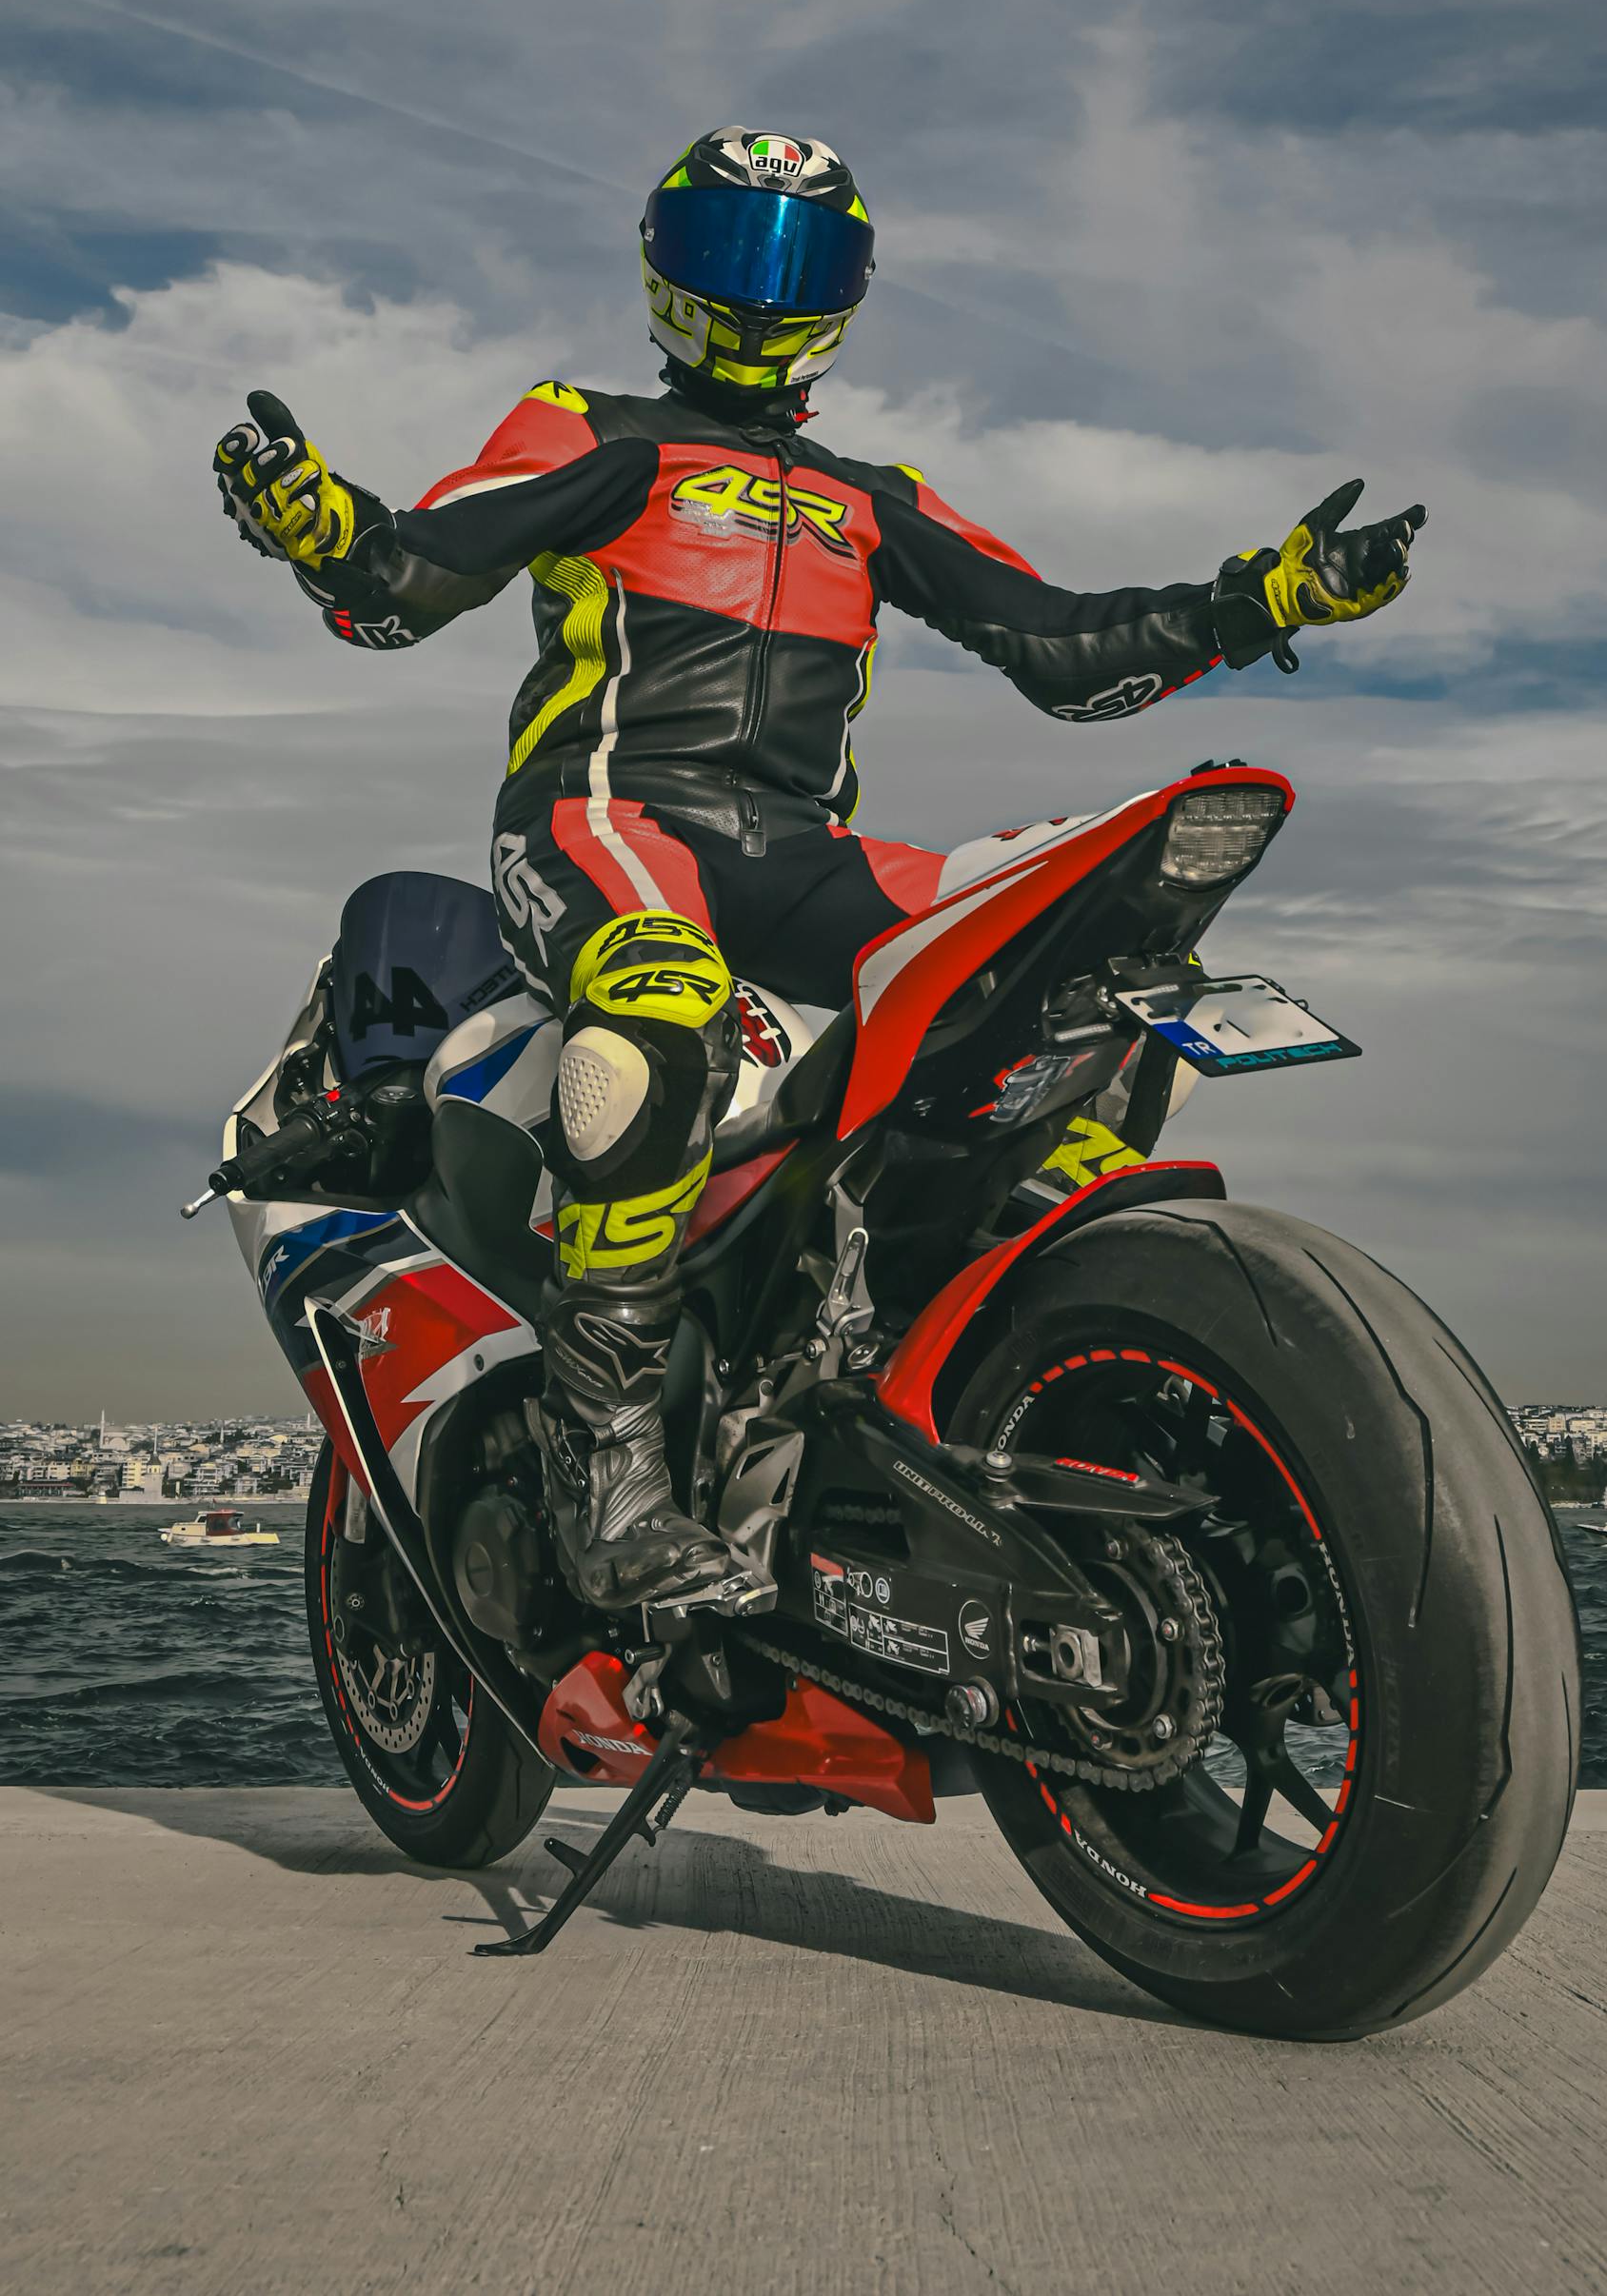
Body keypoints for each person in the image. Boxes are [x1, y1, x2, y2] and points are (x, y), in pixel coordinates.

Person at [214, 124, 1424, 1616]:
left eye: (796, 257)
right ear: (665, 269)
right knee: (654, 1002)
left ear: (846, 288)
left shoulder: (873, 494)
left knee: (1057, 950)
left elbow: (1059, 645)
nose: (761, 289)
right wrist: (320, 524)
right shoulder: (590, 432)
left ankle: (1062, 1322)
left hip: (800, 854)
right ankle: (609, 1471)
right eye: (732, 249)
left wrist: (1267, 596)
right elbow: (412, 569)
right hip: (606, 818)